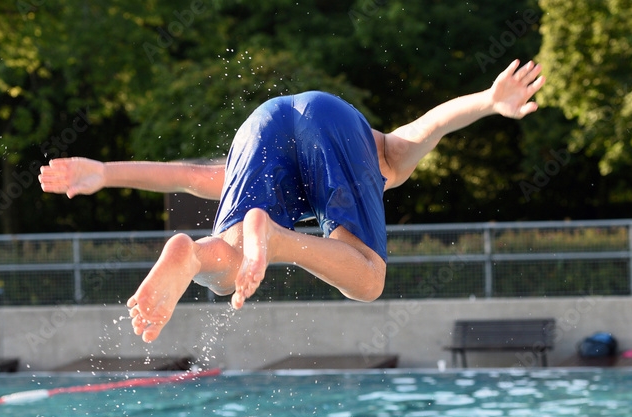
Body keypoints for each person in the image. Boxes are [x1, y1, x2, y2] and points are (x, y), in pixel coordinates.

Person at [40, 60, 545, 343]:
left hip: (261, 123)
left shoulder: (357, 166)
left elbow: (189, 177)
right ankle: (277, 240)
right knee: (367, 279)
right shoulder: (386, 161)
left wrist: (104, 173)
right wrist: (488, 103)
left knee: (227, 260)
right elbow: (433, 124)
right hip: (333, 118)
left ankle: (191, 254)